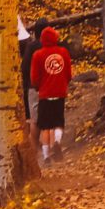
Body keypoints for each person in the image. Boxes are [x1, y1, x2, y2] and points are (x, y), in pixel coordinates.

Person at [29, 26, 72, 162]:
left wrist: (37, 87)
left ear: (42, 39)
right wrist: (64, 83)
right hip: (59, 93)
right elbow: (68, 73)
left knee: (45, 126)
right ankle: (57, 141)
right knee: (58, 122)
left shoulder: (38, 55)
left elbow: (34, 77)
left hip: (45, 94)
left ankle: (46, 156)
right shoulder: (63, 52)